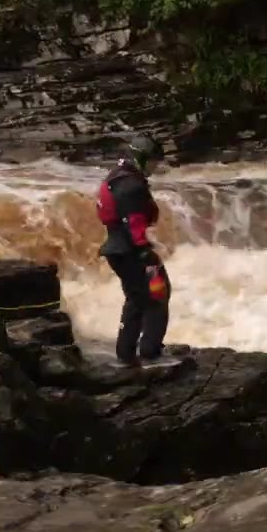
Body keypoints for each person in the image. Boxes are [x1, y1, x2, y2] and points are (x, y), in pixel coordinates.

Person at [96, 133, 172, 367]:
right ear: (141, 158)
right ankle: (150, 352)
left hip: (118, 250)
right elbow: (134, 222)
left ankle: (126, 353)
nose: (154, 167)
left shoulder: (118, 176)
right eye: (152, 162)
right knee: (157, 295)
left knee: (137, 299)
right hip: (130, 251)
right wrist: (144, 254)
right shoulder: (131, 186)